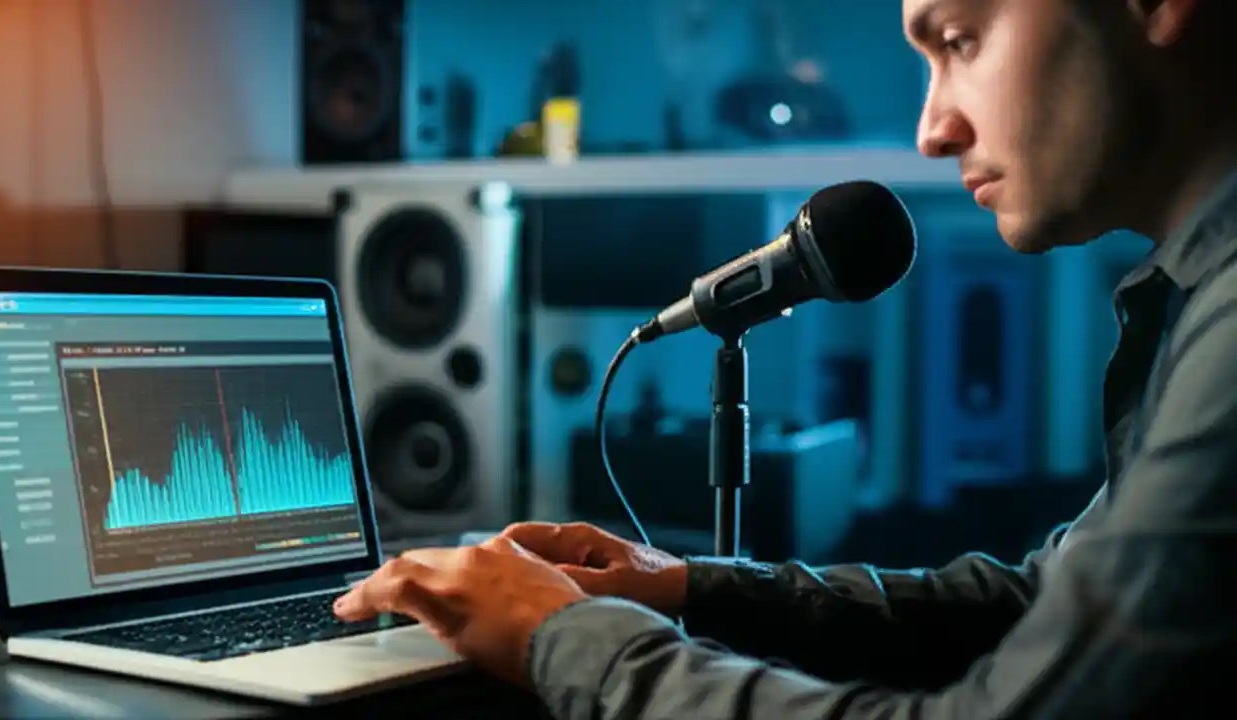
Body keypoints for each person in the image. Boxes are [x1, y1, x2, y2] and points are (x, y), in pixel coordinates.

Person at [334, 0, 1237, 716]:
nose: (932, 129)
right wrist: (684, 586)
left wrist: (562, 638)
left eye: (959, 40)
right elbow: (1036, 601)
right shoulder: (1200, 298)